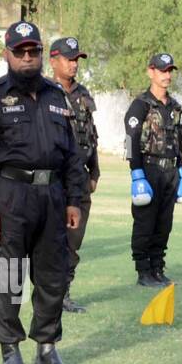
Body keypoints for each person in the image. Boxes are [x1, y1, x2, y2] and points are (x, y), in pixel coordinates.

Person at [0, 21, 87, 364]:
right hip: (10, 197)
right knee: (8, 277)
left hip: (52, 196)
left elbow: (71, 155)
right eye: (21, 52)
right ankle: (10, 352)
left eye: (34, 51)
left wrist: (74, 199)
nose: (28, 58)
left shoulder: (55, 96)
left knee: (52, 276)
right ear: (7, 55)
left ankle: (47, 350)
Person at [124, 53, 182, 287]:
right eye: (162, 70)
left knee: (164, 224)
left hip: (170, 171)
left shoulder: (174, 107)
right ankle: (143, 271)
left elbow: (178, 141)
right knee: (145, 222)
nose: (167, 75)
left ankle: (157, 268)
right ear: (150, 72)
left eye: (170, 70)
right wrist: (136, 173)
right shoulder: (140, 105)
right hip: (149, 169)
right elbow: (131, 140)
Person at [49, 38, 100, 313]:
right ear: (53, 61)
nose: (74, 64)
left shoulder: (82, 94)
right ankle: (46, 295)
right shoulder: (44, 92)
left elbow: (91, 134)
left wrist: (95, 171)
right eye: (69, 59)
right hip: (53, 178)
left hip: (79, 179)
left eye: (76, 59)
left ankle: (63, 294)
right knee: (49, 241)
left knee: (73, 240)